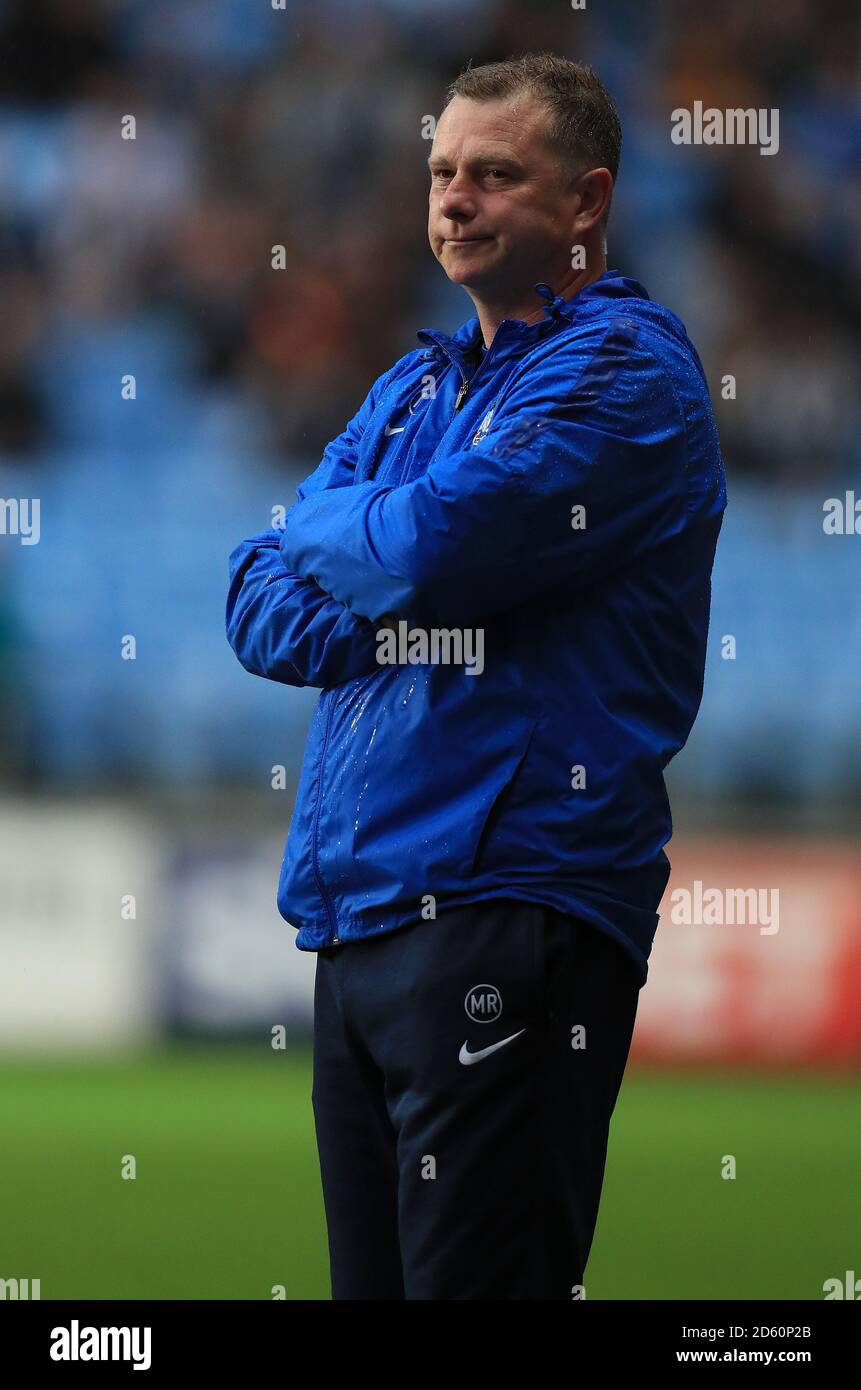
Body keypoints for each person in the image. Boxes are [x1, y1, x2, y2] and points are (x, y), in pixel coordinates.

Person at [226, 52, 726, 1300]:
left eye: (497, 175)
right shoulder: (416, 383)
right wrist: (385, 569)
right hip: (362, 912)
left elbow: (432, 543)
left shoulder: (623, 373)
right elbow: (259, 600)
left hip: (511, 896)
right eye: (443, 171)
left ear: (586, 202)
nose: (454, 198)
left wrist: (349, 542)